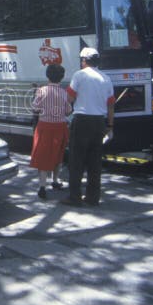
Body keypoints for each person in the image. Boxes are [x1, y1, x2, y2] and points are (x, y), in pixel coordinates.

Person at [60, 47, 115, 207]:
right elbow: (111, 105)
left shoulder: (79, 75)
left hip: (82, 121)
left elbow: (70, 97)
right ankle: (93, 197)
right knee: (95, 161)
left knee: (76, 160)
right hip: (99, 122)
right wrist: (110, 126)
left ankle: (74, 196)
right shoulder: (106, 78)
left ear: (84, 61)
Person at [30, 64, 71, 200]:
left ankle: (42, 186)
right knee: (57, 154)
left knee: (43, 156)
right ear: (61, 77)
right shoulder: (64, 93)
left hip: (44, 127)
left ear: (48, 75)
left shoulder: (41, 91)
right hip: (60, 126)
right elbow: (68, 111)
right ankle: (55, 180)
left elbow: (35, 108)